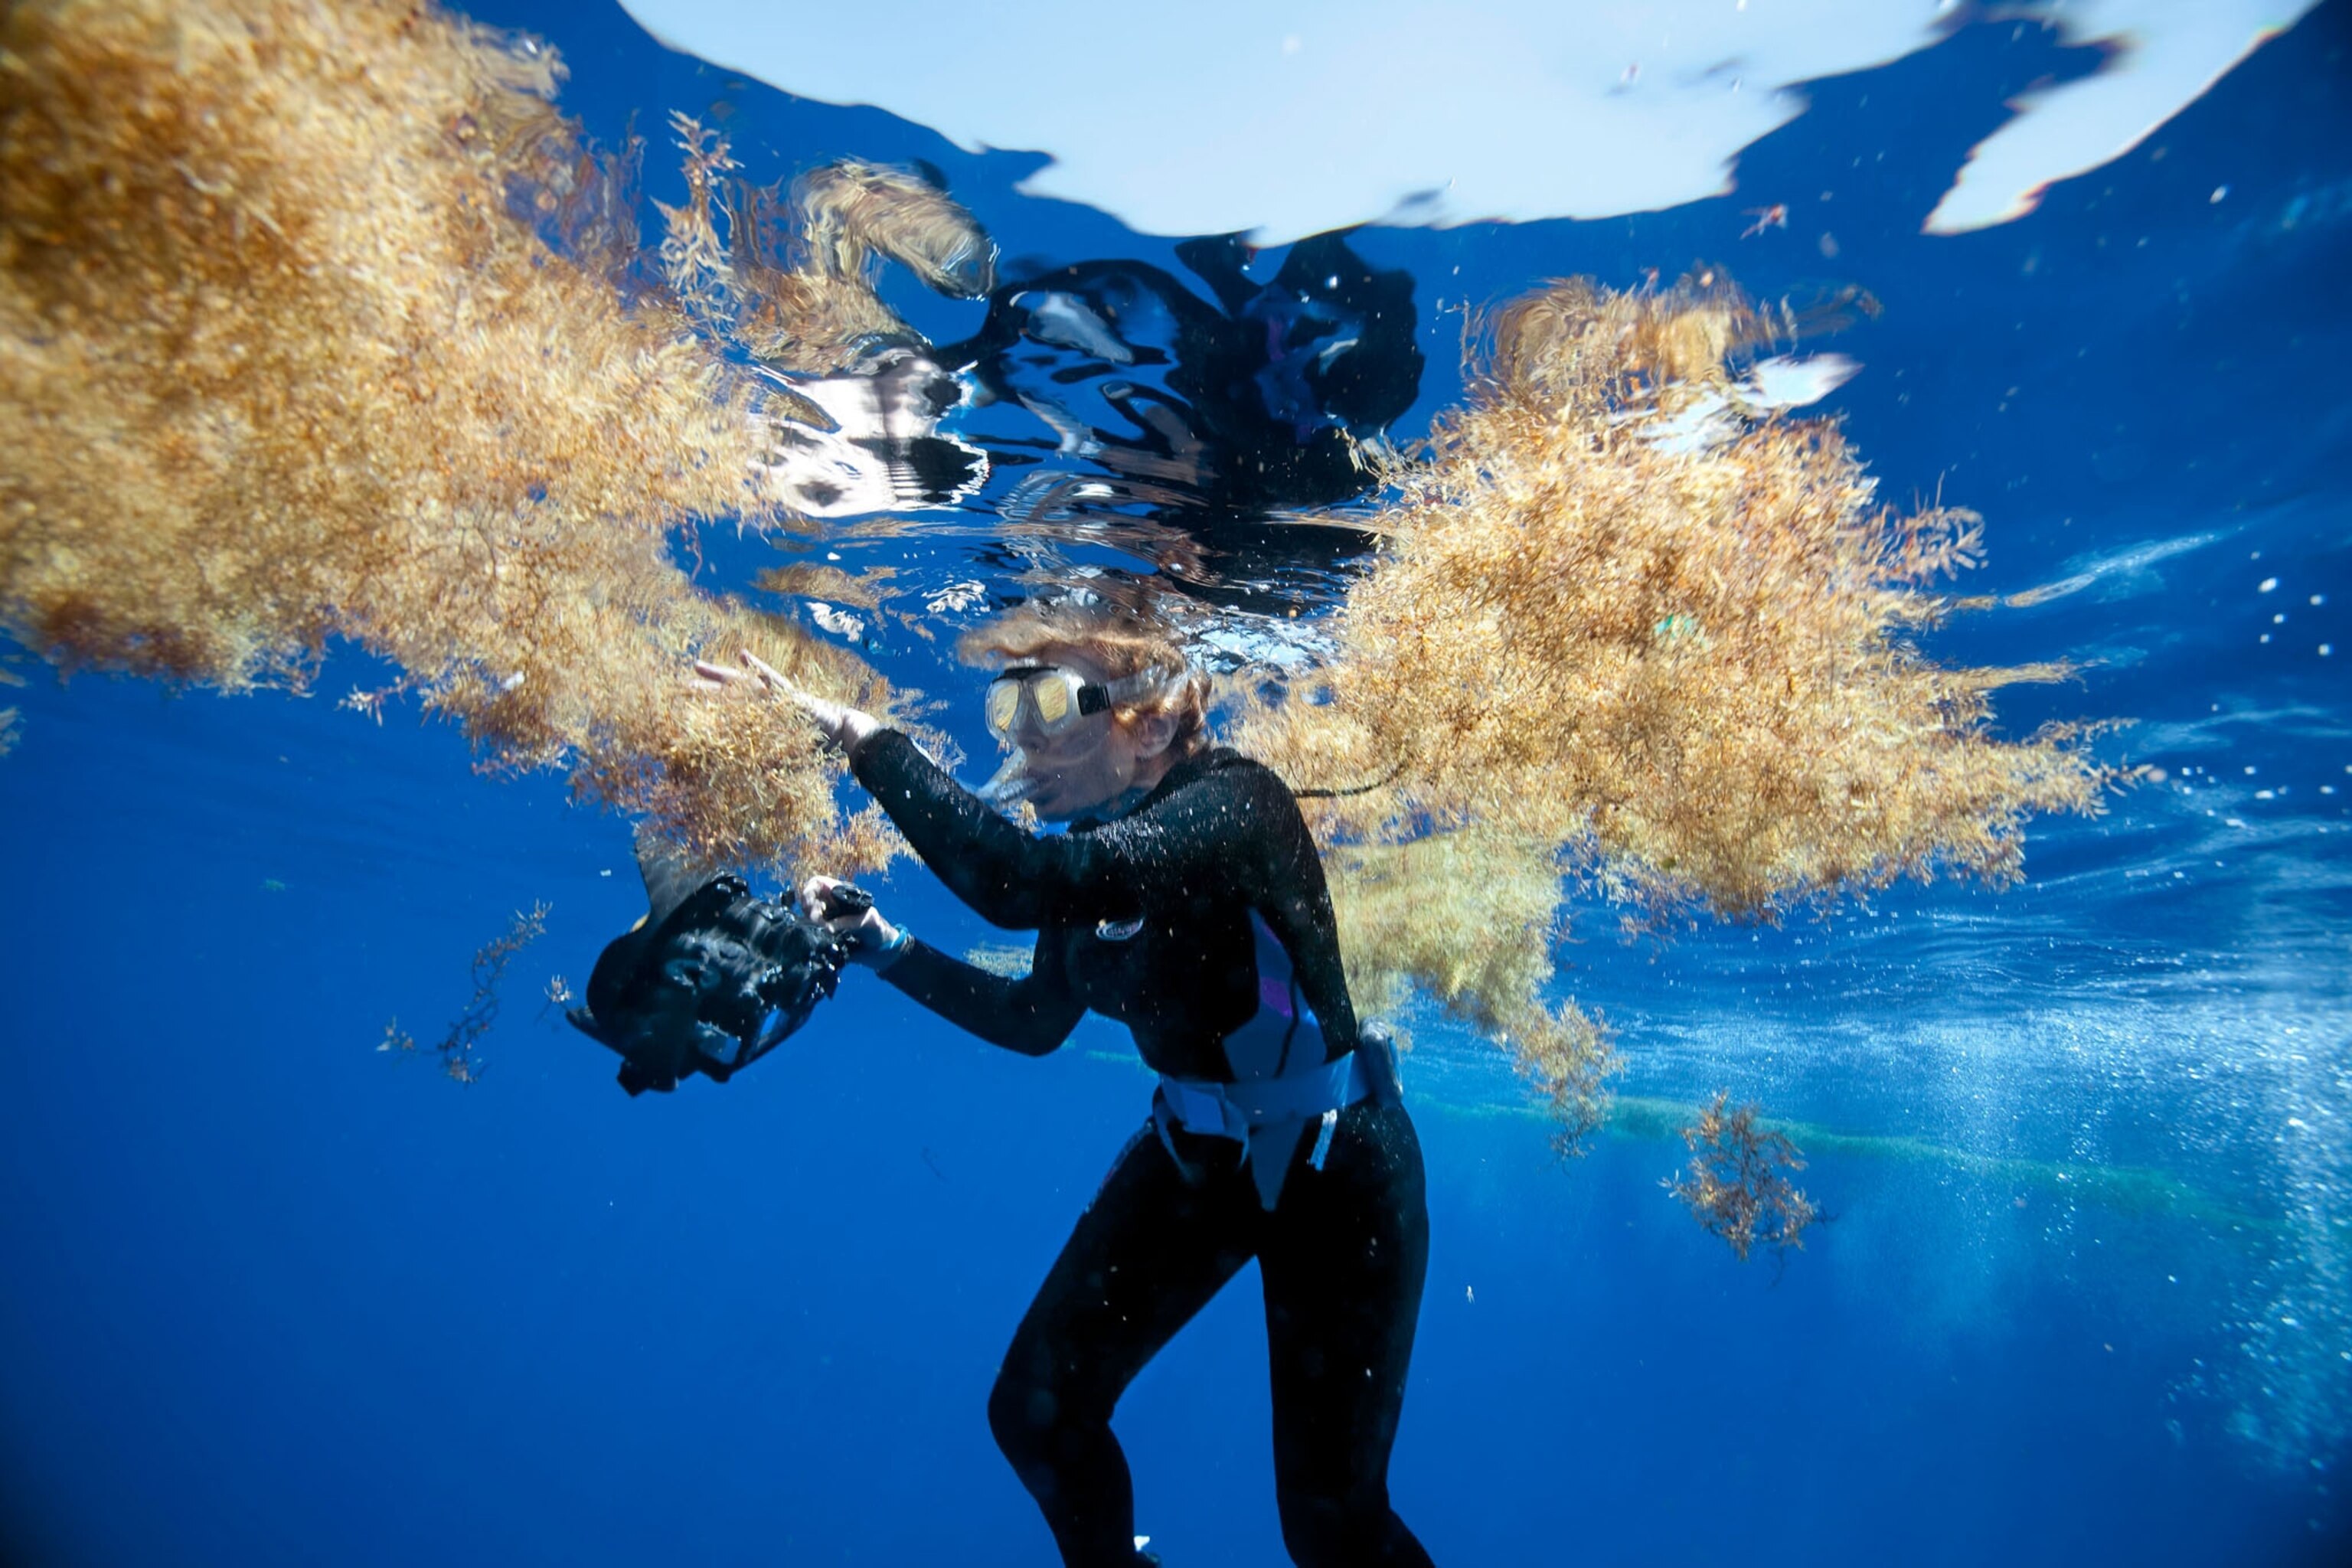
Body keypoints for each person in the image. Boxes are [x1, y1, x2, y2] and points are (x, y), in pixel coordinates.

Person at [694, 605, 1435, 1568]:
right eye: (1010, 705)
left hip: (1338, 1173)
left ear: (1157, 722)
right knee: (1037, 1413)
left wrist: (860, 738)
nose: (1023, 736)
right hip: (1198, 1158)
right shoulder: (1099, 839)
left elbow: (1018, 883)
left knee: (1331, 1521)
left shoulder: (1234, 805)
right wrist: (885, 948)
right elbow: (1033, 1022)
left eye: (1049, 701)